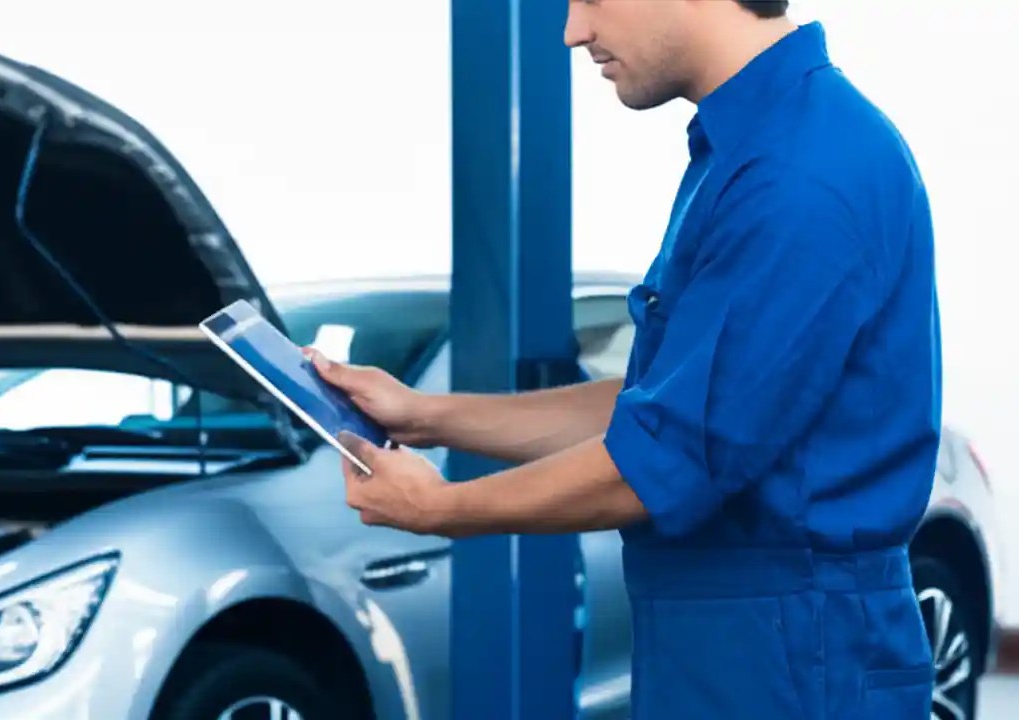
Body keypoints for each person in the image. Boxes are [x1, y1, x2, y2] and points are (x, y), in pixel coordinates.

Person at [306, 1, 940, 718]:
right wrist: (428, 415)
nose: (574, 29)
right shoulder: (754, 150)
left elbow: (673, 457)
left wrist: (443, 509)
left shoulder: (800, 174)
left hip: (791, 657)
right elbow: (665, 403)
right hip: (743, 642)